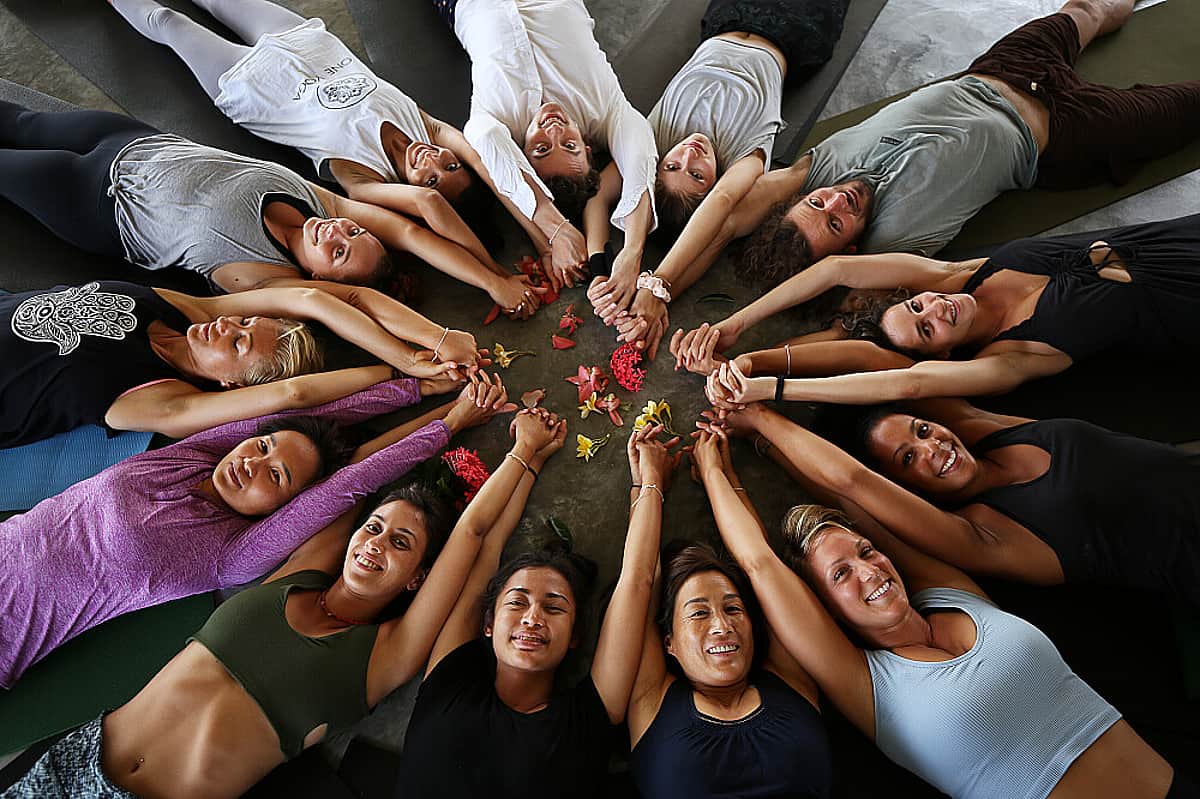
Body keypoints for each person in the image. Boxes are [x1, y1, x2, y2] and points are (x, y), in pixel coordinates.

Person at [3, 389, 545, 799]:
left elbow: (475, 536)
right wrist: (443, 408)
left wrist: (523, 455)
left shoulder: (387, 653)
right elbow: (348, 486)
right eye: (375, 528)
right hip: (73, 760)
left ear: (417, 578)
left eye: (400, 543)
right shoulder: (295, 575)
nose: (373, 544)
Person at [691, 425, 1189, 798]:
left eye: (865, 553)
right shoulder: (868, 684)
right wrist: (717, 470)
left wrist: (764, 435)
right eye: (840, 575)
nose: (870, 571)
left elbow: (857, 494)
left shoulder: (953, 593)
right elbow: (758, 564)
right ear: (825, 609)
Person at [645, 0, 1200, 314]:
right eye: (837, 220)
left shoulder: (814, 171)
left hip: (1003, 67)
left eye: (817, 203)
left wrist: (659, 287)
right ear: (854, 249)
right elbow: (843, 300)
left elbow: (717, 222)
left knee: (1091, 8)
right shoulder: (894, 247)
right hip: (1069, 133)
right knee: (1188, 107)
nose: (838, 199)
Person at [0, 372, 514, 688]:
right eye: (263, 449)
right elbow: (300, 414)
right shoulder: (191, 457)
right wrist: (418, 387)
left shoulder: (229, 554)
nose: (254, 463)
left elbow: (347, 485)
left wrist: (448, 425)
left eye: (276, 476)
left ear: (286, 505)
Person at [108, 0, 529, 293]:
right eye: (452, 167)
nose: (434, 162)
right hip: (303, 40)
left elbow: (430, 206)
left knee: (167, 22)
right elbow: (482, 157)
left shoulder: (361, 177)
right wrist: (543, 235)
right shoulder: (428, 127)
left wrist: (493, 275)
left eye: (432, 179)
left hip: (249, 83)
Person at [0, 97, 542, 318]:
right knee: (19, 120)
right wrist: (493, 278)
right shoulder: (320, 201)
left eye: (336, 252)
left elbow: (353, 300)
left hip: (92, 203)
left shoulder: (264, 278)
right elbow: (421, 219)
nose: (337, 232)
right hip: (131, 139)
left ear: (314, 275)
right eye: (353, 234)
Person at [391, 420, 680, 799]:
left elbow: (637, 583)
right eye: (517, 601)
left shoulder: (584, 720)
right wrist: (527, 456)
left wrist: (646, 483)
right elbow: (485, 544)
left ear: (575, 635)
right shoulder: (449, 685)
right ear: (489, 624)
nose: (532, 618)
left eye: (554, 607)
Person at [716, 398, 1200, 606]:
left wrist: (764, 371)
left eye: (922, 430)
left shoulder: (987, 431)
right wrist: (760, 419)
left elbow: (904, 380)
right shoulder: (983, 533)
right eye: (909, 459)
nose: (933, 449)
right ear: (907, 488)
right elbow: (852, 483)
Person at [691, 213, 1200, 405]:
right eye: (927, 329)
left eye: (917, 305)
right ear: (947, 353)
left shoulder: (957, 277)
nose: (937, 309)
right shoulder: (1010, 357)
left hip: (1176, 236)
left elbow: (834, 272)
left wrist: (735, 324)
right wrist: (766, 386)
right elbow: (908, 383)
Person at [589, 0, 848, 359]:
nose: (689, 155)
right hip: (793, 31)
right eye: (697, 175)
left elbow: (600, 195)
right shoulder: (746, 155)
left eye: (672, 166)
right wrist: (660, 288)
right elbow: (721, 209)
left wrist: (607, 263)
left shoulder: (655, 140)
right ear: (713, 184)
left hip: (726, 18)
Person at [0, 279, 484, 448]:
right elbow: (310, 297)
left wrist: (402, 375)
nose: (227, 327)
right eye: (246, 322)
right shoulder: (185, 311)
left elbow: (289, 395)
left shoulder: (162, 402)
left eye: (238, 346)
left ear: (233, 386)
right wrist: (411, 348)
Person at [626, 432, 832, 797]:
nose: (722, 626)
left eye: (733, 609)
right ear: (669, 642)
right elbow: (639, 583)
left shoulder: (791, 679)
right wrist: (648, 485)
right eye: (699, 614)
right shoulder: (652, 701)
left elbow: (761, 565)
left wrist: (719, 474)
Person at [442, 0, 658, 294]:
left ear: (522, 158)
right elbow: (639, 157)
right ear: (587, 147)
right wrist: (632, 252)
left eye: (541, 148)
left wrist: (555, 228)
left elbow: (484, 137)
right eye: (570, 145)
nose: (553, 129)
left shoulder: (496, 118)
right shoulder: (605, 109)